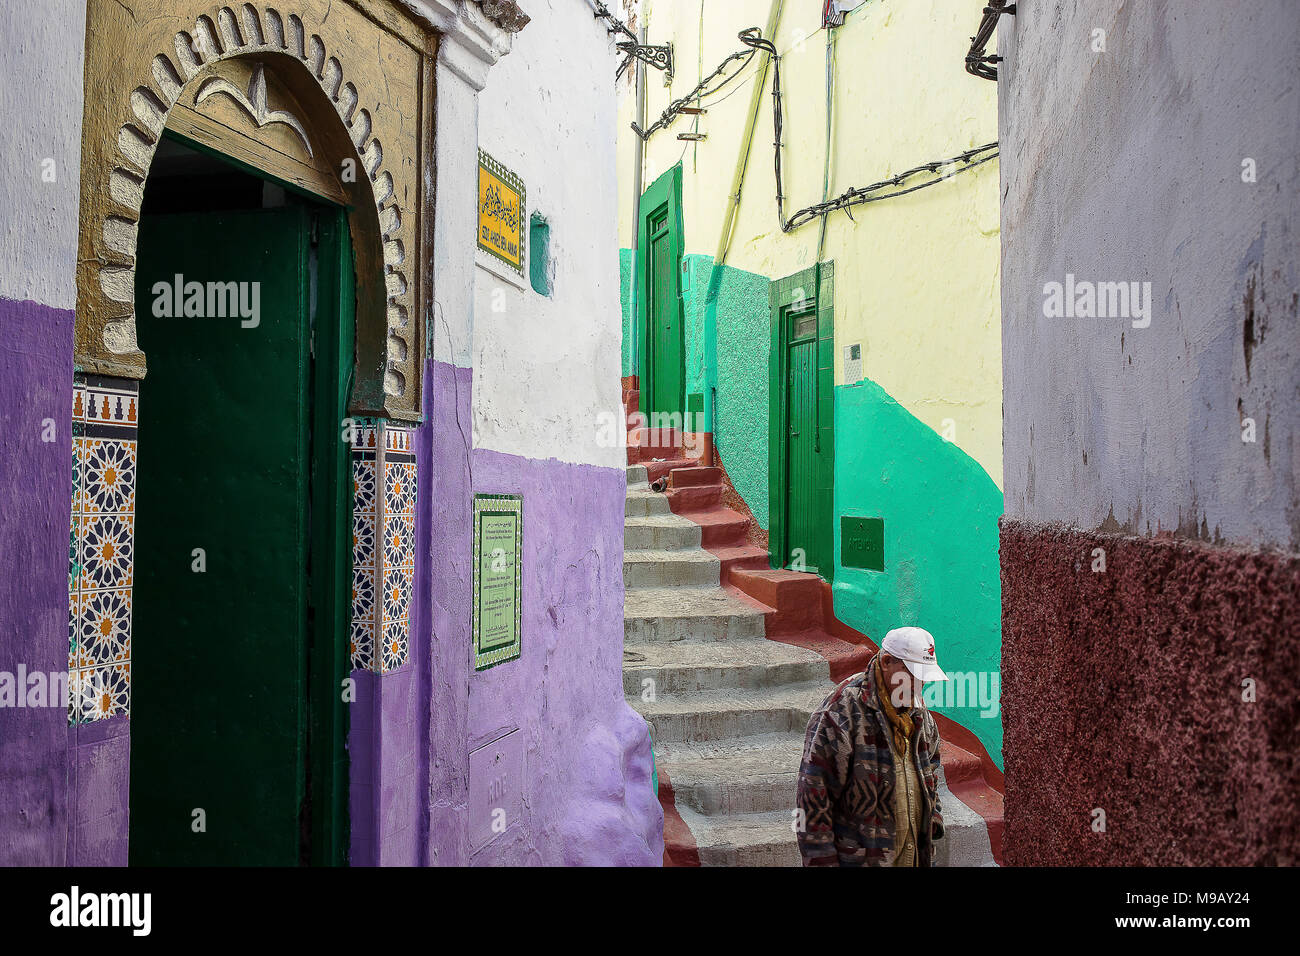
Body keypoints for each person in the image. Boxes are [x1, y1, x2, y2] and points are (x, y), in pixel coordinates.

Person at [795, 626, 950, 866]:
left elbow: (932, 772)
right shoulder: (841, 712)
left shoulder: (920, 715)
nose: (919, 686)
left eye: (923, 678)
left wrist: (933, 818)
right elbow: (810, 803)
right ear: (887, 662)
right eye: (912, 675)